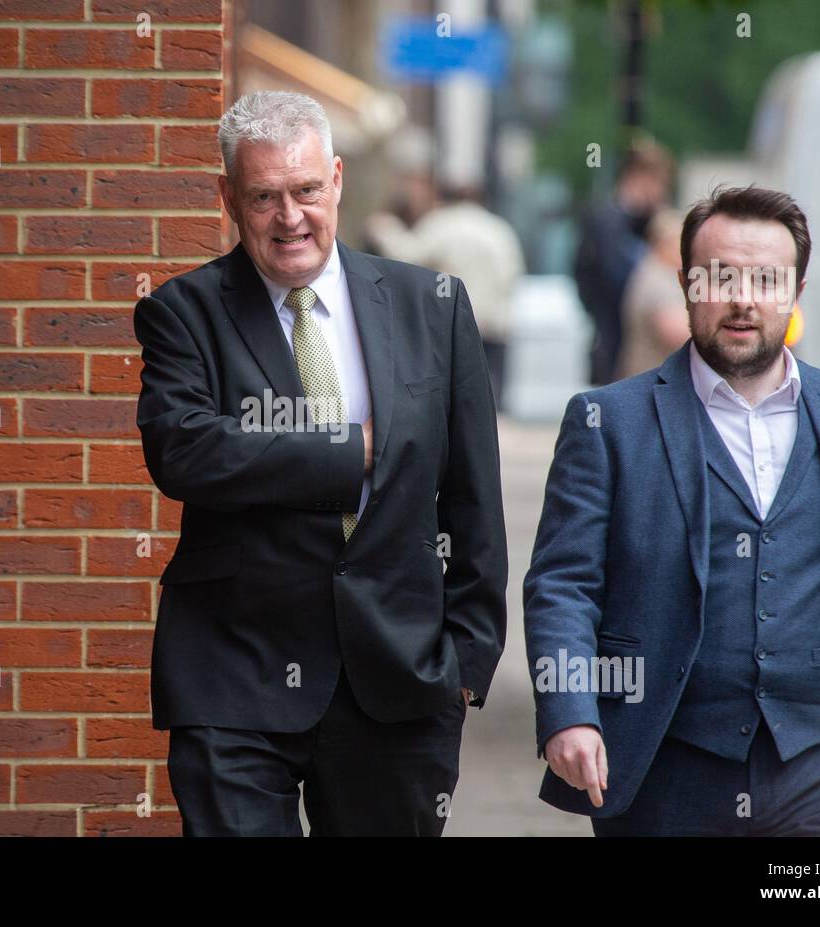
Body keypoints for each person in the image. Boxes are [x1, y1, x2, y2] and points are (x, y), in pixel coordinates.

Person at [134, 91, 508, 836]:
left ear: (336, 179)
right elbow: (188, 451)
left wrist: (466, 661)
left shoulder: (431, 306)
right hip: (234, 675)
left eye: (306, 190)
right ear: (229, 198)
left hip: (399, 682)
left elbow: (474, 498)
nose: (290, 217)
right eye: (264, 197)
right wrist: (349, 451)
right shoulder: (184, 314)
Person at [524, 185, 820, 836]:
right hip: (667, 762)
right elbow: (563, 584)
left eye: (766, 278)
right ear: (688, 284)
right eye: (721, 276)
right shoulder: (609, 421)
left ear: (796, 290)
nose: (743, 298)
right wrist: (569, 708)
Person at [366, 185, 525, 412]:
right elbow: (512, 273)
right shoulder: (498, 229)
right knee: (490, 395)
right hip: (494, 323)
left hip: (451, 322)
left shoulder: (442, 224)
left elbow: (407, 255)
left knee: (453, 397)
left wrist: (386, 230)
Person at [573, 137, 674, 385]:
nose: (661, 193)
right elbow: (611, 278)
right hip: (617, 341)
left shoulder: (635, 221)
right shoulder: (611, 222)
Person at [615, 208, 688, 379]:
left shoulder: (654, 272)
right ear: (664, 243)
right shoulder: (657, 280)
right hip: (651, 383)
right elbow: (680, 336)